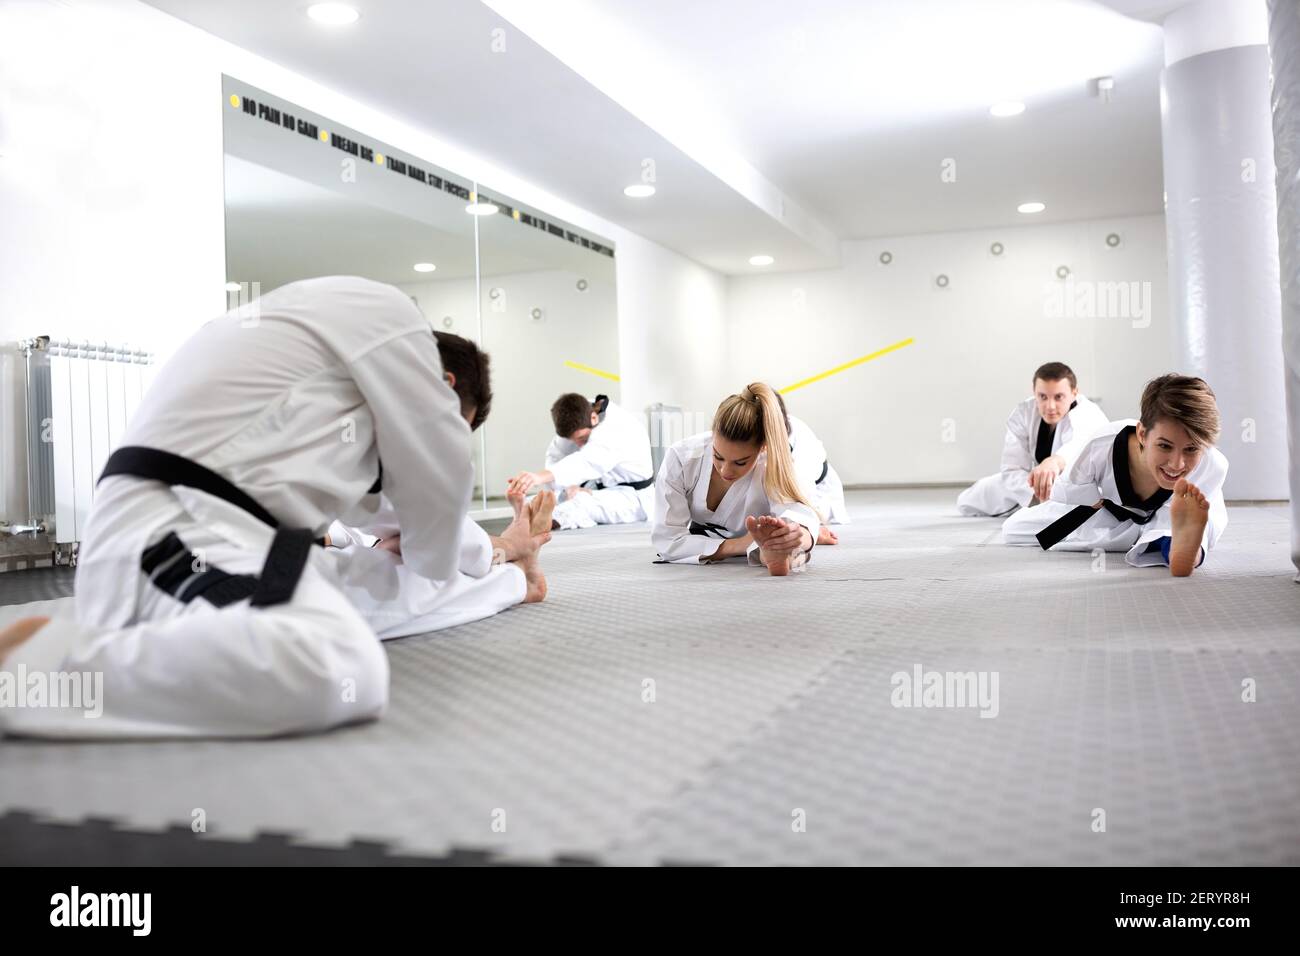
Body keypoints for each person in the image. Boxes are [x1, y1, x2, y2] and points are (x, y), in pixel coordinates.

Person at [0, 276, 474, 738]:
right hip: (174, 524)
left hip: (213, 530)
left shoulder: (326, 362)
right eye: (461, 421)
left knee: (360, 587)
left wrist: (493, 551)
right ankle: (30, 668)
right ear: (444, 387)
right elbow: (439, 477)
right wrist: (451, 552)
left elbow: (396, 512)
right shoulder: (390, 316)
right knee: (334, 660)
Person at [1001, 374, 1227, 576]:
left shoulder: (1211, 464)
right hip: (1109, 511)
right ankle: (1158, 540)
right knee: (1014, 529)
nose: (1177, 464)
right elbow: (1074, 488)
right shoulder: (1105, 444)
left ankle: (1185, 547)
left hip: (1172, 514)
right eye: (1165, 446)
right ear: (1142, 433)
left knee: (1177, 523)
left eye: (1191, 449)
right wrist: (1091, 501)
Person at [652, 382, 819, 575]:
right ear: (713, 435)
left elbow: (797, 513)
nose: (725, 470)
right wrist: (744, 544)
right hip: (748, 540)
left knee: (796, 534)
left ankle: (777, 551)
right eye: (718, 456)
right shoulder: (681, 458)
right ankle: (764, 551)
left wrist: (790, 537)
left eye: (740, 462)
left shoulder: (773, 462)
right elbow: (667, 540)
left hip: (770, 526)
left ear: (762, 448)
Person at [957, 361, 1109, 517]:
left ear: (1074, 393)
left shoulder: (1089, 413)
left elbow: (1079, 445)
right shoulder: (1024, 413)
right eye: (1042, 396)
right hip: (1034, 485)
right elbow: (1012, 468)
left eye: (1058, 397)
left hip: (1081, 486)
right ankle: (1037, 504)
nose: (1050, 406)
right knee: (969, 499)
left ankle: (1046, 505)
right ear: (1034, 392)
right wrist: (1036, 491)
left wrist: (1054, 462)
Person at [506, 392, 654, 530]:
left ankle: (537, 525)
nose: (578, 445)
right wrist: (558, 492)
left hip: (633, 498)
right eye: (573, 440)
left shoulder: (616, 427)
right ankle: (528, 515)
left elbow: (586, 462)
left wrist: (537, 477)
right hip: (596, 488)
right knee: (541, 500)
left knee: (580, 504)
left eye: (582, 439)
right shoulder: (578, 415)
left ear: (594, 418)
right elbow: (556, 456)